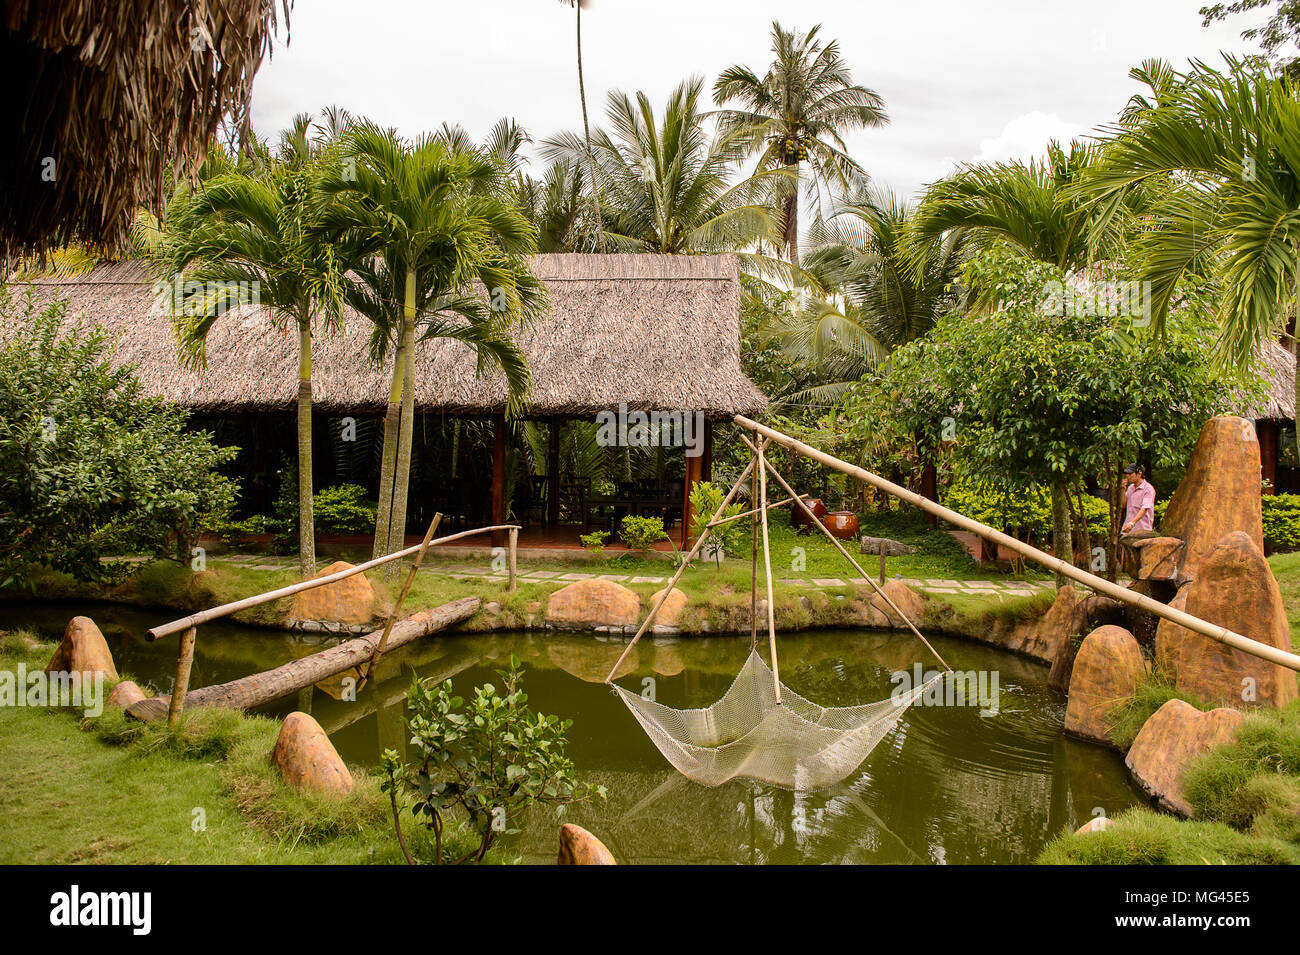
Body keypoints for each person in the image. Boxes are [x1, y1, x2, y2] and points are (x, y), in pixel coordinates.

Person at [1121, 463, 1156, 536]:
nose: (1128, 476)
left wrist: (1132, 523)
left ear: (1139, 474)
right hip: (1127, 532)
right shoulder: (1131, 488)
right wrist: (1123, 489)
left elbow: (1144, 509)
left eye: (1130, 474)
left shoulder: (1148, 489)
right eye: (1127, 474)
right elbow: (1123, 505)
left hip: (1142, 532)